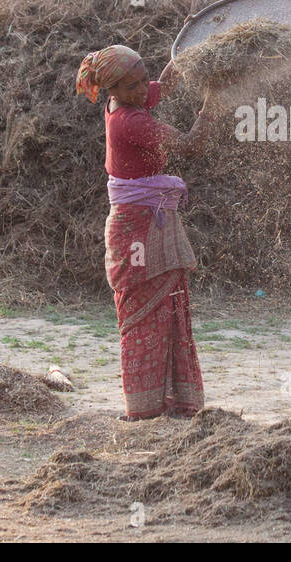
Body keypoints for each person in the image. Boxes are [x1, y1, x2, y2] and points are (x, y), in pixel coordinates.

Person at [76, 45, 219, 420]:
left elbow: (164, 86)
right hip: (138, 227)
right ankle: (145, 408)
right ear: (112, 92)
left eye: (143, 80)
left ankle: (171, 402)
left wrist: (188, 46)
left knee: (168, 307)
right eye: (132, 87)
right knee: (144, 315)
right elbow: (192, 145)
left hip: (146, 218)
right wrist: (213, 103)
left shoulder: (126, 105)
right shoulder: (131, 122)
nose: (143, 91)